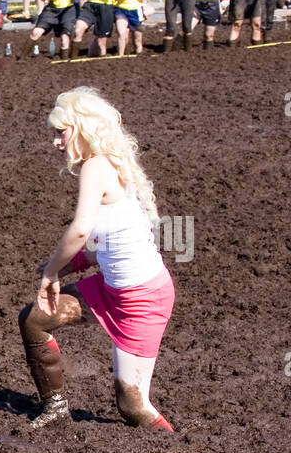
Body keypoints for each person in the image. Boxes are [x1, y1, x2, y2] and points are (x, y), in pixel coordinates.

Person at [20, 87, 175, 433]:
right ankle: (56, 408)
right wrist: (72, 265)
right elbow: (110, 241)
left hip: (142, 299)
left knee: (132, 405)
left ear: (82, 129)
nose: (56, 142)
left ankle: (177, 449)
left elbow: (79, 231)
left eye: (61, 132)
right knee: (34, 320)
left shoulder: (96, 166)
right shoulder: (109, 164)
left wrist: (51, 272)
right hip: (112, 289)